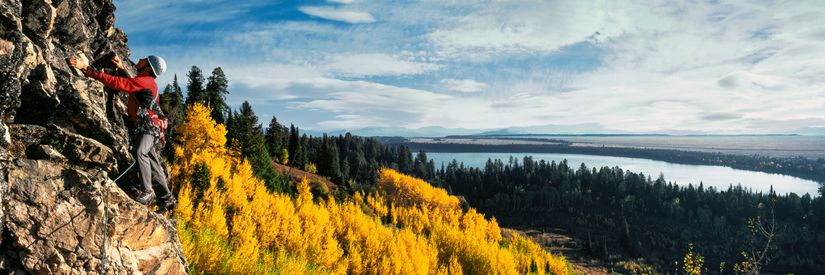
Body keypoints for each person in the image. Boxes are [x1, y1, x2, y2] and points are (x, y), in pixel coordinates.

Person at [69, 55, 176, 211]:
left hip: (148, 128)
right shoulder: (147, 82)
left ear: (147, 68)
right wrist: (122, 68)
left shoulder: (146, 82)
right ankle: (167, 199)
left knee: (140, 151)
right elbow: (133, 86)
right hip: (152, 128)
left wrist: (86, 69)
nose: (140, 59)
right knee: (152, 162)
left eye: (144, 60)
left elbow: (119, 83)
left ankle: (148, 191)